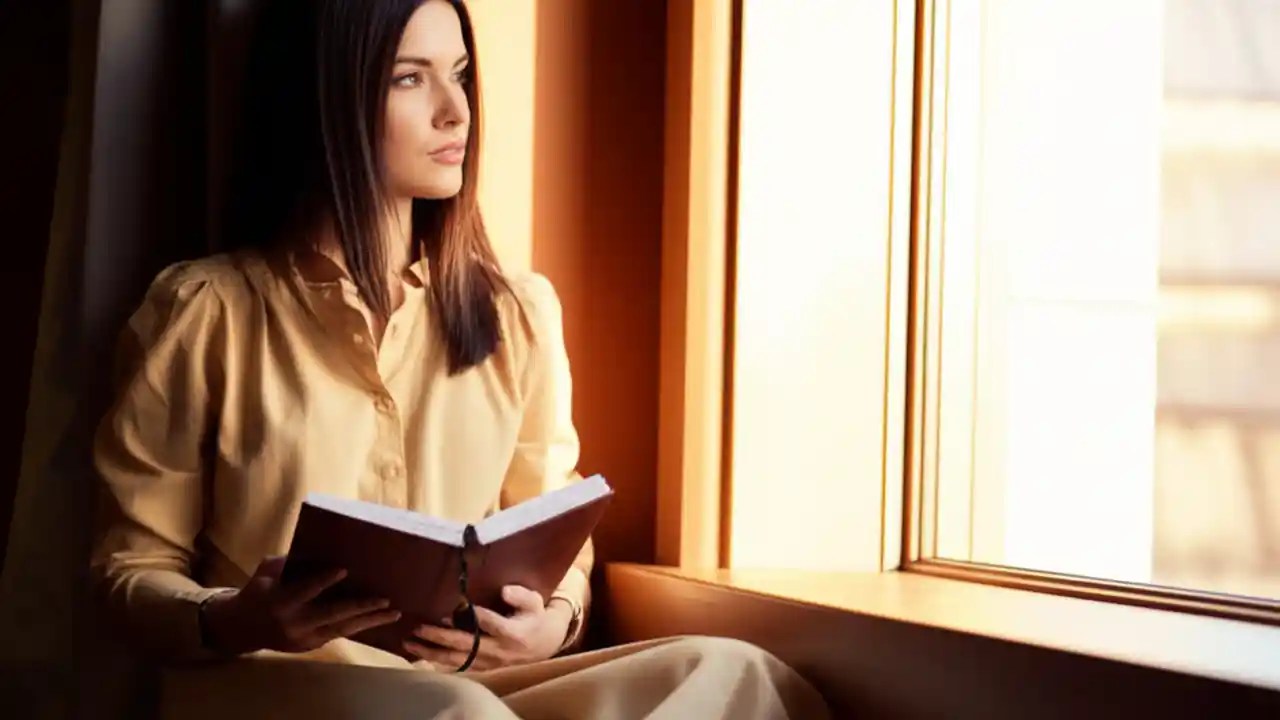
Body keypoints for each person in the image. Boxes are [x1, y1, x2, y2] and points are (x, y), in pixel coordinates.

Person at [89, 0, 829, 717]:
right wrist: (236, 619)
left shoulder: (517, 314)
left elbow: (556, 530)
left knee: (733, 673)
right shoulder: (205, 312)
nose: (457, 111)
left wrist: (555, 621)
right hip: (275, 688)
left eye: (462, 73)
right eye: (411, 78)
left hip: (468, 690)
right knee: (459, 712)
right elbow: (129, 571)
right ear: (325, 100)